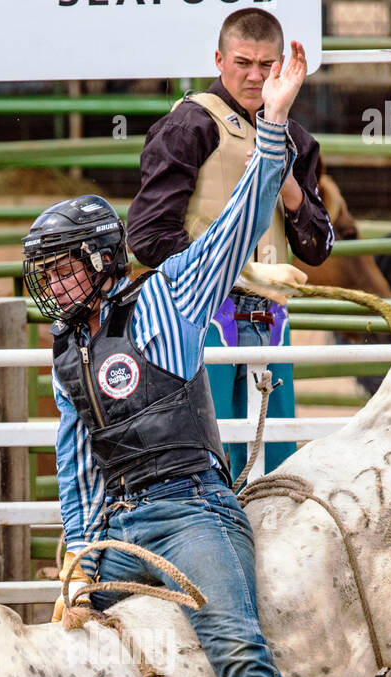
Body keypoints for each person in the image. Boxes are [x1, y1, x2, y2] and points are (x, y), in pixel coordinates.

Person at [23, 41, 350, 677]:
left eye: (62, 274)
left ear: (99, 264)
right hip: (119, 529)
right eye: (45, 278)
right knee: (79, 672)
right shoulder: (66, 359)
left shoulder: (166, 300)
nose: (53, 290)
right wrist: (78, 555)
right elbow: (76, 465)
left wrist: (273, 122)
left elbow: (242, 215)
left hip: (192, 507)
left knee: (236, 643)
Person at [126, 6, 333, 480]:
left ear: (282, 66)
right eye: (243, 63)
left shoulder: (296, 140)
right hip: (197, 321)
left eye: (266, 65)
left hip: (271, 321)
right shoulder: (190, 126)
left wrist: (286, 187)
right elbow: (148, 234)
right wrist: (228, 274)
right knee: (203, 463)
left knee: (274, 470)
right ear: (219, 59)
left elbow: (318, 246)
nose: (255, 76)